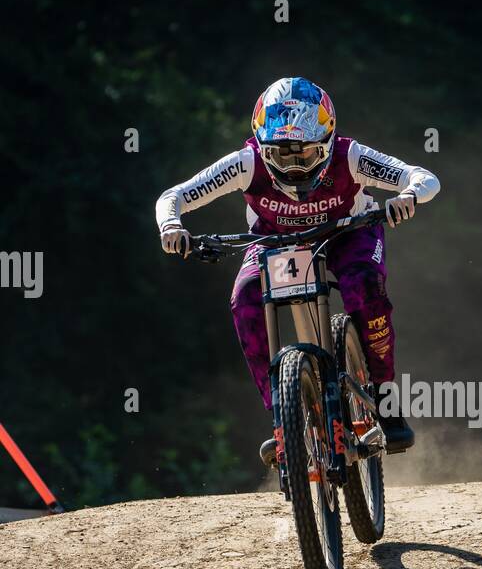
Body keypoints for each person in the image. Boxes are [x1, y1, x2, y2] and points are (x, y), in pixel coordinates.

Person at [155, 76, 440, 462]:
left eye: (304, 155)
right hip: (275, 242)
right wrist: (172, 227)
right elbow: (174, 196)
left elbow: (423, 178)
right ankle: (282, 418)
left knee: (365, 288)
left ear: (325, 142)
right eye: (282, 155)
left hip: (347, 232)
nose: (293, 168)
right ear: (261, 146)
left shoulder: (349, 156)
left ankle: (384, 397)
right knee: (244, 301)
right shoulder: (246, 162)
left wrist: (407, 197)